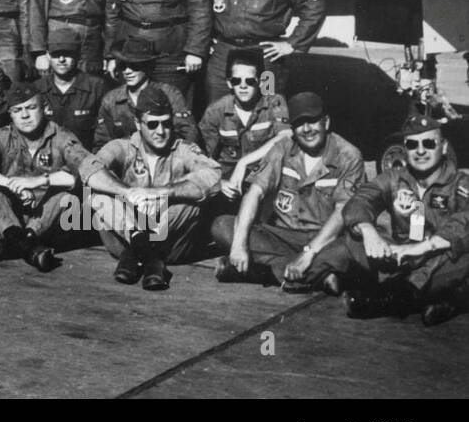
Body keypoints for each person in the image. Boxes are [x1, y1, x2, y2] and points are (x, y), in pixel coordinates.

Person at [313, 114, 469, 326]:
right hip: (403, 258)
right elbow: (359, 201)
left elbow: (464, 221)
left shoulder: (461, 184)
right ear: (405, 150)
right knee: (354, 236)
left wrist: (424, 247)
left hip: (439, 261)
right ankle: (437, 299)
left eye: (429, 143)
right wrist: (369, 233)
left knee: (456, 256)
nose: (421, 151)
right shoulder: (394, 178)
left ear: (443, 147)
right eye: (413, 145)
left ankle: (392, 298)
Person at [213, 92, 361, 291]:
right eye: (300, 123)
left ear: (326, 123)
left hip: (326, 240)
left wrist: (309, 253)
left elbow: (343, 212)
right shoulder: (283, 147)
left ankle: (273, 272)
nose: (307, 129)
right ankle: (316, 275)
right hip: (283, 237)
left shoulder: (348, 156)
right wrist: (239, 244)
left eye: (312, 121)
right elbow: (254, 193)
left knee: (355, 246)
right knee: (222, 226)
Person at [83, 85, 222, 290]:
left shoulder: (182, 149)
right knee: (96, 195)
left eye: (166, 124)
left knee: (193, 202)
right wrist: (127, 192)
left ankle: (138, 250)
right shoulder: (122, 147)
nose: (161, 131)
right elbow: (88, 168)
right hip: (124, 235)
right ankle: (148, 254)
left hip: (169, 243)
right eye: (153, 124)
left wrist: (161, 194)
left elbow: (214, 177)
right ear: (138, 124)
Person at [0, 81, 96, 270]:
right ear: (11, 114)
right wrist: (9, 184)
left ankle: (11, 244)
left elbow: (84, 168)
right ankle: (25, 244)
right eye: (17, 110)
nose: (25, 115)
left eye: (31, 108)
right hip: (9, 216)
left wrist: (38, 181)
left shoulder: (61, 136)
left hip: (48, 220)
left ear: (44, 108)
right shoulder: (3, 136)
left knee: (67, 194)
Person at [199, 47, 291, 211]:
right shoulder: (216, 111)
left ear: (260, 82)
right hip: (229, 180)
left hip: (263, 175)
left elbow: (286, 136)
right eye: (236, 81)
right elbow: (204, 157)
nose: (242, 86)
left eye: (250, 81)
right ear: (229, 83)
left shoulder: (274, 102)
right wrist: (218, 182)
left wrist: (244, 162)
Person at [93, 37, 198, 150]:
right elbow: (102, 143)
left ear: (148, 66)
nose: (127, 72)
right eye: (123, 66)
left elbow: (188, 135)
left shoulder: (170, 94)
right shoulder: (111, 100)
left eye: (134, 66)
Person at [32, 28, 104, 150]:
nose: (61, 60)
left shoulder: (96, 87)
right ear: (48, 56)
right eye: (56, 54)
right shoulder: (37, 89)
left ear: (78, 55)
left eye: (67, 54)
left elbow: (103, 135)